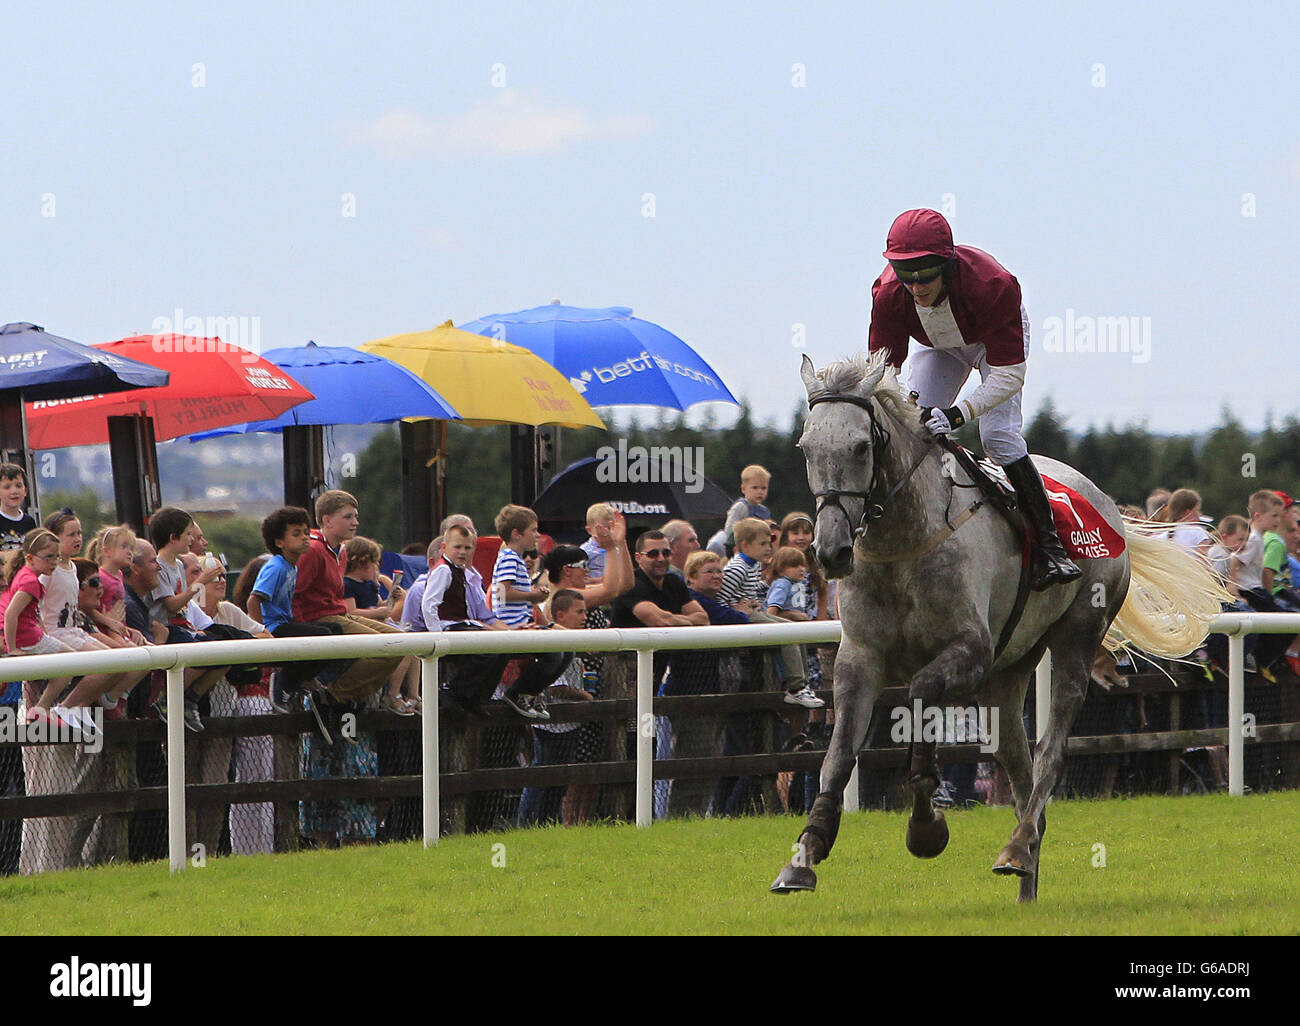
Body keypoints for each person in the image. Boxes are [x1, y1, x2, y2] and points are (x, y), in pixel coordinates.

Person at [868, 207, 1081, 590]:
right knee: (913, 430)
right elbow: (884, 372)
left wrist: (957, 414)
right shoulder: (887, 293)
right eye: (906, 277)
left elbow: (1010, 374)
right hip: (936, 346)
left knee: (997, 438)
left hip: (990, 346)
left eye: (926, 276)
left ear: (947, 265)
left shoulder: (994, 284)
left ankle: (1052, 550)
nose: (916, 288)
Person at [248, 506, 348, 733]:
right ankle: (286, 681)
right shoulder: (276, 567)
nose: (305, 538)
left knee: (335, 631)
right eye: (296, 534)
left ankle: (304, 680)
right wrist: (262, 632)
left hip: (285, 623)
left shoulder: (291, 566)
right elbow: (253, 600)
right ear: (280, 542)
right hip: (276, 627)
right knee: (324, 637)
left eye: (306, 532)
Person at [720, 518, 823, 709]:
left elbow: (746, 594)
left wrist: (751, 603)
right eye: (762, 544)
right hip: (740, 618)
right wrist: (734, 609)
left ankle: (803, 684)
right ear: (745, 545)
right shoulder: (737, 568)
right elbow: (719, 599)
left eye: (770, 542)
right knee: (787, 633)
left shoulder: (755, 565)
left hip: (750, 612)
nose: (769, 548)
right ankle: (795, 686)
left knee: (794, 630)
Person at [516, 589, 595, 827]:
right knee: (542, 777)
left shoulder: (576, 641)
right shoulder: (553, 642)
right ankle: (527, 822)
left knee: (559, 779)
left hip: (568, 724)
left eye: (586, 612)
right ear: (560, 615)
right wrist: (583, 695)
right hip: (551, 725)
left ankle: (549, 822)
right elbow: (556, 688)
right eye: (579, 612)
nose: (585, 617)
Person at [491, 504, 567, 721]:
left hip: (522, 624)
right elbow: (502, 594)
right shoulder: (509, 558)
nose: (537, 535)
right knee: (554, 654)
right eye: (533, 530)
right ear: (516, 533)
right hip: (511, 627)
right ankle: (518, 693)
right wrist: (533, 596)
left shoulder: (514, 559)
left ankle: (531, 693)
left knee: (567, 650)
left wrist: (534, 593)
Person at [343, 536, 418, 714]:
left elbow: (379, 606)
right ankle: (392, 694)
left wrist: (391, 598)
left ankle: (414, 696)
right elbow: (351, 613)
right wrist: (378, 613)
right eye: (375, 563)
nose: (378, 568)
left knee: (415, 651)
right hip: (364, 629)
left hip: (379, 624)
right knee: (403, 650)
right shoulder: (347, 584)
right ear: (362, 563)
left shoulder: (370, 585)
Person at [723, 465, 772, 552]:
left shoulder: (764, 511)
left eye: (763, 488)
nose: (760, 491)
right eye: (755, 488)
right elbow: (729, 530)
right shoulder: (740, 507)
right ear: (744, 488)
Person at [0, 463, 37, 552]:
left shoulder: (29, 522)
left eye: (18, 486)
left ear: (25, 491)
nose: (14, 491)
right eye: (7, 487)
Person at [579, 503, 616, 581]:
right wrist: (598, 580)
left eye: (611, 528)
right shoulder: (585, 551)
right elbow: (582, 579)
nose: (607, 533)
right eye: (600, 529)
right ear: (590, 530)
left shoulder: (617, 549)